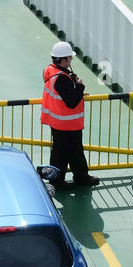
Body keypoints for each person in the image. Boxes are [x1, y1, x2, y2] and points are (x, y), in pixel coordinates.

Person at [40, 41, 100, 187]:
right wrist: (79, 86)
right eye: (69, 57)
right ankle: (72, 180)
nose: (71, 59)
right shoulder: (61, 78)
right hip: (67, 124)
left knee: (64, 153)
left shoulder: (50, 71)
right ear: (63, 59)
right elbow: (71, 101)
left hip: (58, 123)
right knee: (71, 153)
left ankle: (63, 180)